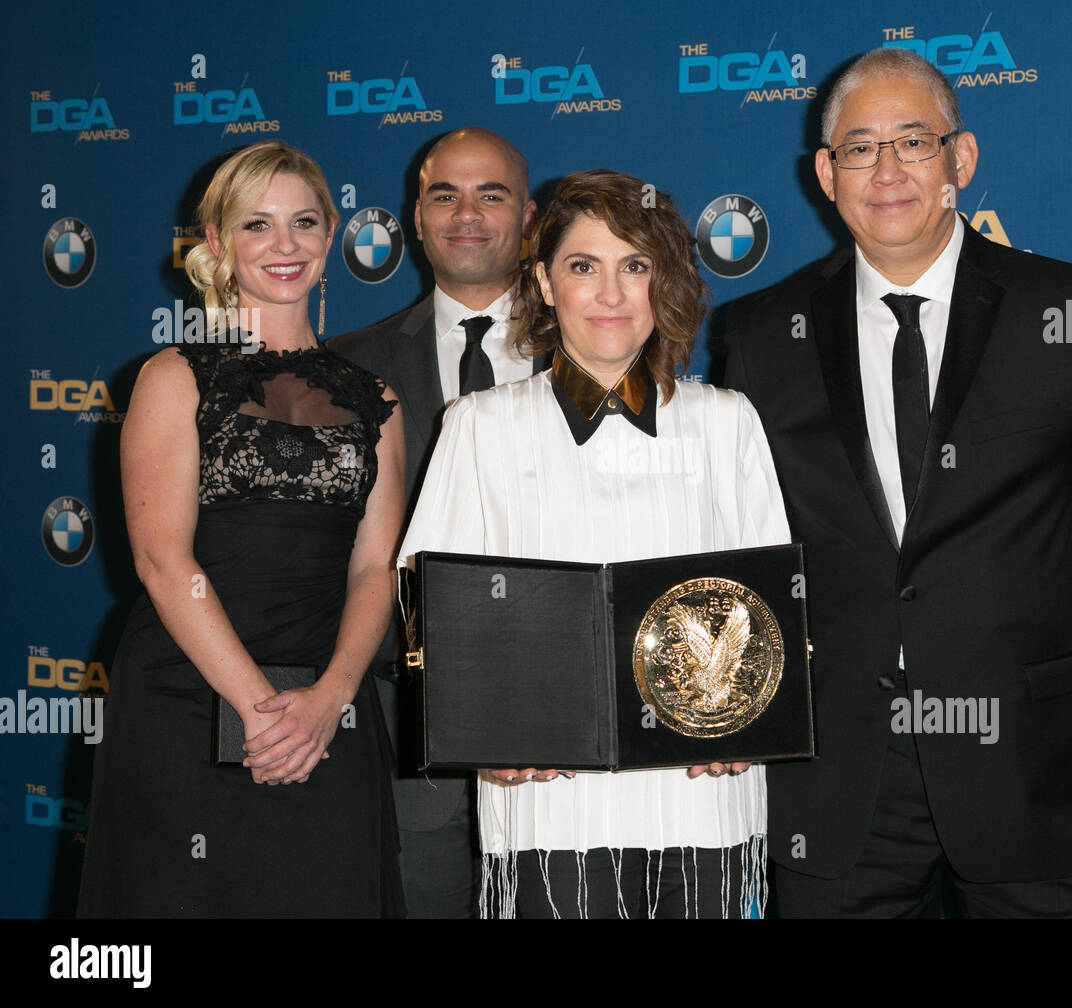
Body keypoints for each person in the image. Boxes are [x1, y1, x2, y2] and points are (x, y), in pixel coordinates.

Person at [723, 48, 1072, 918]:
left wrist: (1034, 644)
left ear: (960, 160)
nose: (888, 170)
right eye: (859, 149)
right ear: (825, 174)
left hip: (1029, 757)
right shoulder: (758, 335)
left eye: (913, 141)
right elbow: (749, 543)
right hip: (839, 774)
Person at [398, 169, 790, 918]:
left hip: (705, 799)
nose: (611, 294)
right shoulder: (480, 425)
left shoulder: (727, 420)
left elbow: (768, 598)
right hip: (549, 806)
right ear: (544, 282)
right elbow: (427, 597)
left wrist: (752, 713)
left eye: (635, 266)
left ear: (663, 280)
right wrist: (486, 731)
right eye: (584, 267)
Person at [78, 141, 405, 917]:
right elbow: (164, 562)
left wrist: (330, 698)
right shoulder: (174, 377)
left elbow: (376, 569)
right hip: (188, 706)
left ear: (331, 235)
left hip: (329, 713)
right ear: (219, 244)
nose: (283, 245)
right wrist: (264, 710)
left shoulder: (375, 398)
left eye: (302, 223)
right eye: (257, 225)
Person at [330, 127, 544, 917]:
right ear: (415, 218)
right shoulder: (348, 369)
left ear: (527, 215)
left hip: (555, 725)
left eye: (491, 193)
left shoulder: (599, 356)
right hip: (400, 736)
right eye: (444, 194)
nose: (467, 213)